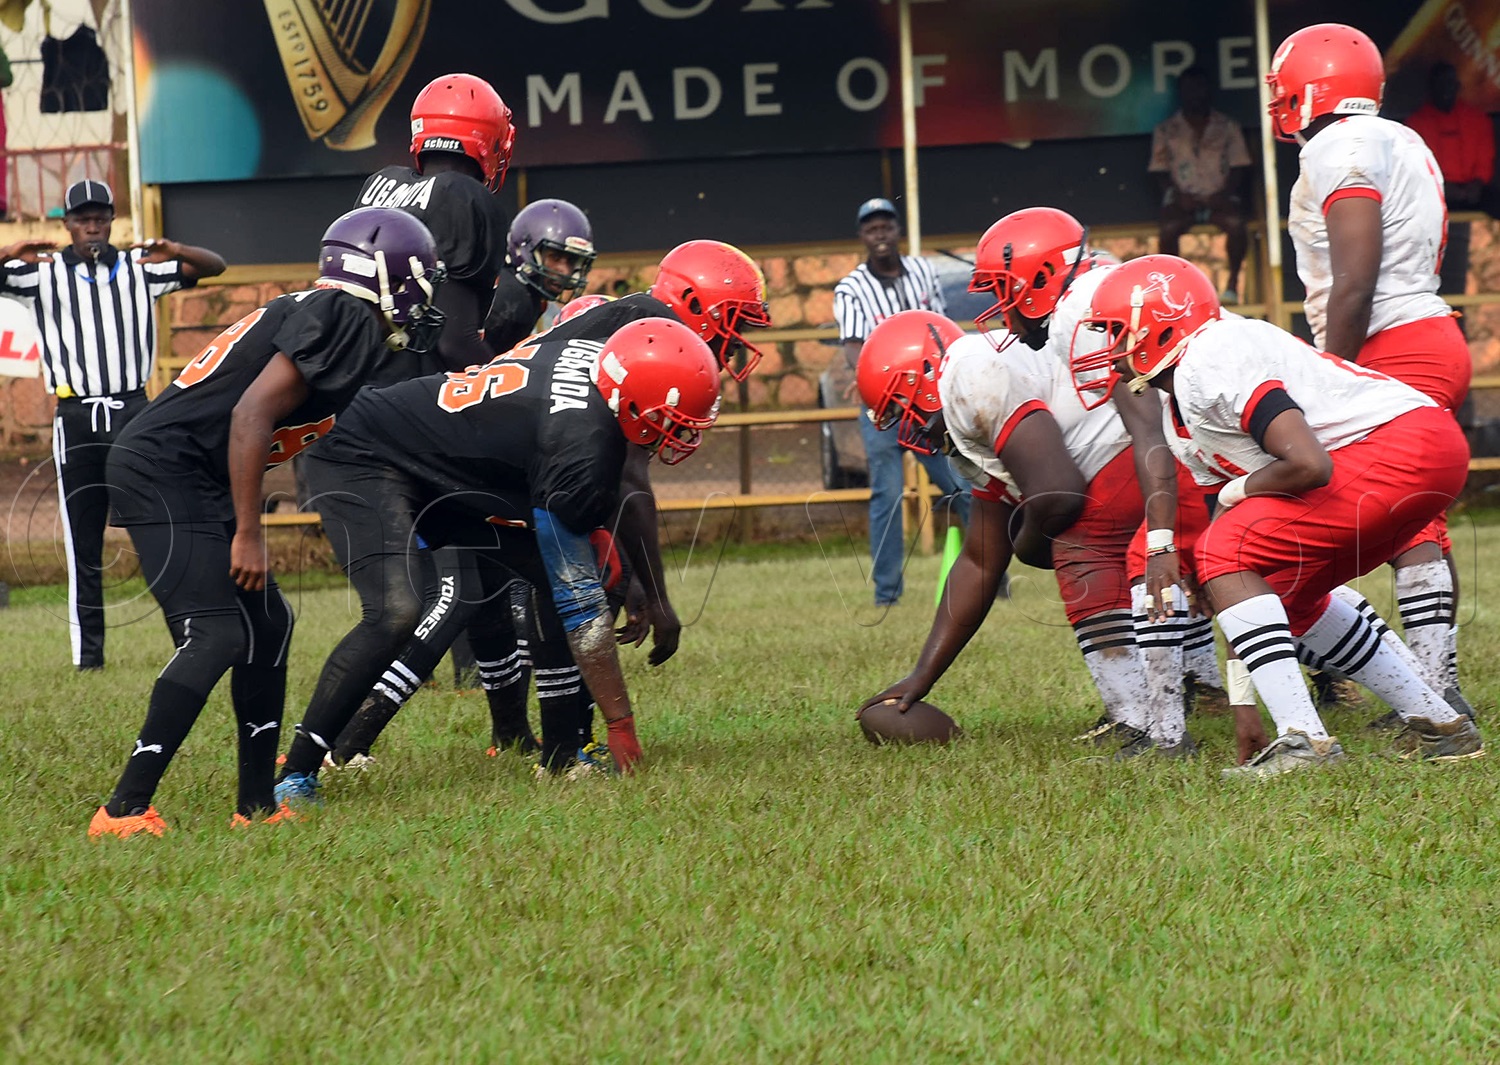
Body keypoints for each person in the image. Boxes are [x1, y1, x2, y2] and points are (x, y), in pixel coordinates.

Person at [312, 241, 771, 773]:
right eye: (736, 321)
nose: (739, 341)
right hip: (470, 461)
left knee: (563, 586)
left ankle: (564, 744)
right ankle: (339, 747)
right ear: (695, 303)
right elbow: (629, 480)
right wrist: (659, 595)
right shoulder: (650, 332)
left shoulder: (626, 317)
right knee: (463, 599)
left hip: (500, 461)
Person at [86, 207, 445, 838]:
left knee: (269, 625)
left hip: (192, 473)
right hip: (166, 471)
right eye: (420, 277)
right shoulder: (347, 318)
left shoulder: (333, 315)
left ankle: (255, 803)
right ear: (384, 274)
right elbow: (250, 415)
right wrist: (250, 532)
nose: (424, 295)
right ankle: (122, 808)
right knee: (217, 634)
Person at [273, 314, 721, 802]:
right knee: (396, 612)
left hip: (441, 470)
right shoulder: (580, 443)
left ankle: (560, 756)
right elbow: (584, 613)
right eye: (671, 420)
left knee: (563, 581)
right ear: (633, 399)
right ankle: (296, 772)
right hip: (358, 454)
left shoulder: (599, 362)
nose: (677, 435)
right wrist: (622, 726)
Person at [1073, 253, 1482, 776]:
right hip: (1418, 451)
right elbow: (1239, 575)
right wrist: (1243, 702)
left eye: (1116, 332)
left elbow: (1308, 464)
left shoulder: (1209, 358)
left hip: (1402, 445)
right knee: (1289, 595)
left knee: (1227, 549)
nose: (1109, 349)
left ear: (1160, 324)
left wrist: (1234, 494)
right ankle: (1440, 725)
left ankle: (1306, 744)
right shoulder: (1184, 404)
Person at [970, 206, 1230, 756]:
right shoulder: (1101, 284)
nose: (1002, 309)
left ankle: (1154, 726)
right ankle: (1220, 689)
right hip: (1226, 432)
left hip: (1199, 441)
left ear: (1040, 278)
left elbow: (1148, 427)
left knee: (1132, 561)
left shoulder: (1076, 317)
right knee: (1246, 572)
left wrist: (1161, 534)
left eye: (1003, 288)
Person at [1270, 23, 1472, 720]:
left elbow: (1355, 276)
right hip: (1425, 330)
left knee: (1375, 515)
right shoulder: (1401, 137)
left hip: (1391, 340)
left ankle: (1427, 685)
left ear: (1310, 85)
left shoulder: (1338, 146)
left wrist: (1332, 369)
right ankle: (1424, 677)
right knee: (1404, 513)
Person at [853, 305, 1163, 755]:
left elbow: (1060, 493)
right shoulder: (968, 409)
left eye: (901, 407)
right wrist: (921, 675)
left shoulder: (968, 379)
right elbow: (980, 559)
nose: (910, 426)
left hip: (1140, 445)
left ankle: (1137, 717)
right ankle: (1193, 690)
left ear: (921, 377)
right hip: (1132, 448)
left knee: (1081, 544)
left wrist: (1030, 544)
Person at [0, 179, 225, 671]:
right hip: (75, 415)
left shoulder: (139, 271)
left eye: (101, 217)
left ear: (112, 220)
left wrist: (176, 247)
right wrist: (11, 248)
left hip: (133, 414)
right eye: (83, 219)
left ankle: (186, 638)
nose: (93, 226)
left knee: (158, 529)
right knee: (83, 539)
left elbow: (213, 266)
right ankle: (89, 658)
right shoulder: (41, 273)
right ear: (68, 225)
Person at [834, 196, 970, 607]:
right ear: (863, 235)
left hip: (928, 399)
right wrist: (868, 379)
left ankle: (989, 573)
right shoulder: (851, 287)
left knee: (964, 483)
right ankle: (887, 593)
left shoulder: (925, 272)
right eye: (871, 228)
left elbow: (942, 330)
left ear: (897, 231)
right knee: (888, 494)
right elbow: (854, 348)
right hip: (883, 403)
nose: (880, 234)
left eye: (886, 226)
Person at [355, 72, 514, 375]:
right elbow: (454, 342)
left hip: (350, 382)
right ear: (489, 140)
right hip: (405, 391)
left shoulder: (378, 184)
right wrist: (508, 387)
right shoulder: (465, 196)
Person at [1148, 66, 1252, 303]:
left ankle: (1233, 285)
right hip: (1183, 199)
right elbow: (1159, 170)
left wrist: (1223, 194)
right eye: (1189, 90)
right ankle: (1173, 289)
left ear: (1208, 91)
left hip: (1220, 198)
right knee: (1168, 229)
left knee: (1236, 225)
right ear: (1181, 93)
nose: (1195, 95)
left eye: (1200, 89)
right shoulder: (1166, 129)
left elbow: (1239, 165)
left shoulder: (1227, 126)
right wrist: (1176, 195)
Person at [1404, 61, 1495, 313]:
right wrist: (1445, 188)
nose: (1445, 91)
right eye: (1440, 85)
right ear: (1431, 88)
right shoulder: (1416, 123)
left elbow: (1485, 158)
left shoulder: (1476, 119)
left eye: (1449, 85)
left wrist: (1477, 184)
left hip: (1473, 190)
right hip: (1438, 191)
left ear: (1457, 87)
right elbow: (1419, 168)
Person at [484, 197, 597, 356]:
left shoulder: (528, 295)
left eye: (571, 260)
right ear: (525, 250)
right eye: (555, 258)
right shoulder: (514, 298)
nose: (564, 270)